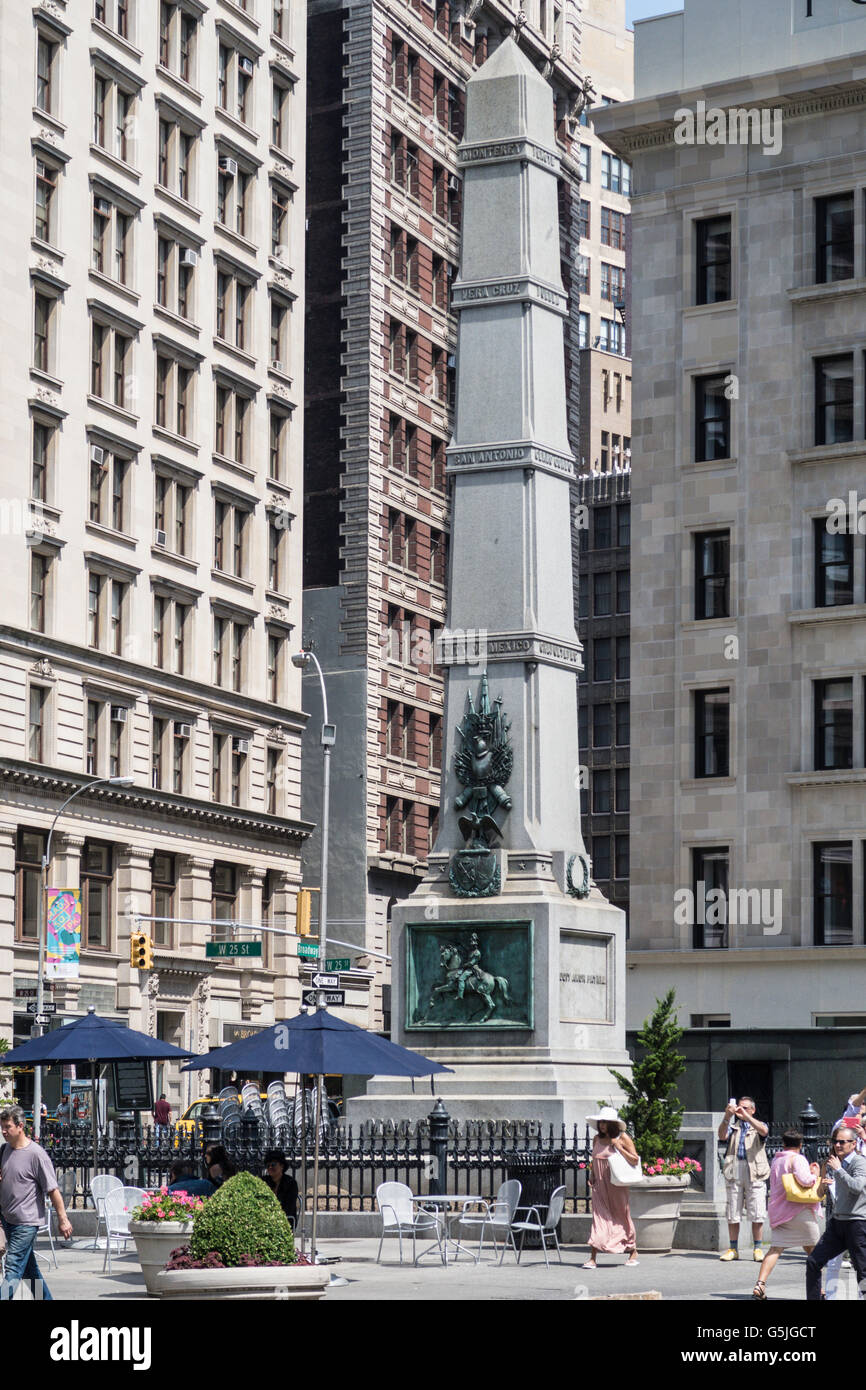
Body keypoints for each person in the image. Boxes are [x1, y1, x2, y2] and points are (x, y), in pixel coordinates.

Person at [0, 1105, 73, 1301]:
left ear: (20, 1126)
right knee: (29, 1271)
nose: (4, 1131)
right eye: (2, 1127)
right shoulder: (4, 1150)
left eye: (7, 1127)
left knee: (13, 1267)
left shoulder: (36, 1154)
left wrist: (63, 1219)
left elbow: (53, 1189)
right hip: (8, 1219)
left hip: (26, 1222)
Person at [752, 1129, 821, 1300]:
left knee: (775, 1249)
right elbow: (805, 1181)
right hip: (799, 1211)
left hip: (779, 1211)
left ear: (783, 1144)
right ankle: (818, 1290)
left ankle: (760, 1285)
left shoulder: (777, 1160)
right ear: (800, 1145)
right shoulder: (798, 1159)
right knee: (814, 1251)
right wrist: (815, 1175)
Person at [805, 1127, 866, 1300]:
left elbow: (857, 1187)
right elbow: (822, 1193)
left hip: (857, 1223)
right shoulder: (833, 1162)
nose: (837, 1145)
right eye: (835, 1142)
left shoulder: (859, 1162)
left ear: (853, 1144)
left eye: (842, 1142)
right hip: (837, 1222)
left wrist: (839, 1170)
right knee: (813, 1262)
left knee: (862, 1271)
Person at [583, 1106, 640, 1268]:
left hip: (616, 1184)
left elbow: (635, 1160)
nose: (602, 1125)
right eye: (601, 1122)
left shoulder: (623, 1138)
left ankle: (632, 1249)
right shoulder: (596, 1139)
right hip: (599, 1185)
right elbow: (595, 1159)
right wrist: (592, 1175)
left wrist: (618, 1147)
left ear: (613, 1124)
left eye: (606, 1122)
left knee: (621, 1215)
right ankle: (593, 1257)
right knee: (598, 1218)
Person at [718, 1096, 769, 1262]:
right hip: (735, 1168)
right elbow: (721, 1135)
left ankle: (758, 1248)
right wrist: (727, 1116)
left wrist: (747, 1117)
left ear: (753, 1110)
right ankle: (733, 1248)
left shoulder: (758, 1125)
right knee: (733, 1209)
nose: (741, 1111)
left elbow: (764, 1131)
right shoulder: (733, 1126)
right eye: (739, 1107)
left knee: (757, 1210)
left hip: (755, 1169)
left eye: (746, 1108)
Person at [263, 1150, 299, 1228]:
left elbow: (289, 1208)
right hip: (265, 1222)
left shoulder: (291, 1183)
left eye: (273, 1164)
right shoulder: (263, 1181)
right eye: (268, 1165)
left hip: (285, 1222)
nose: (270, 1167)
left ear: (282, 1166)